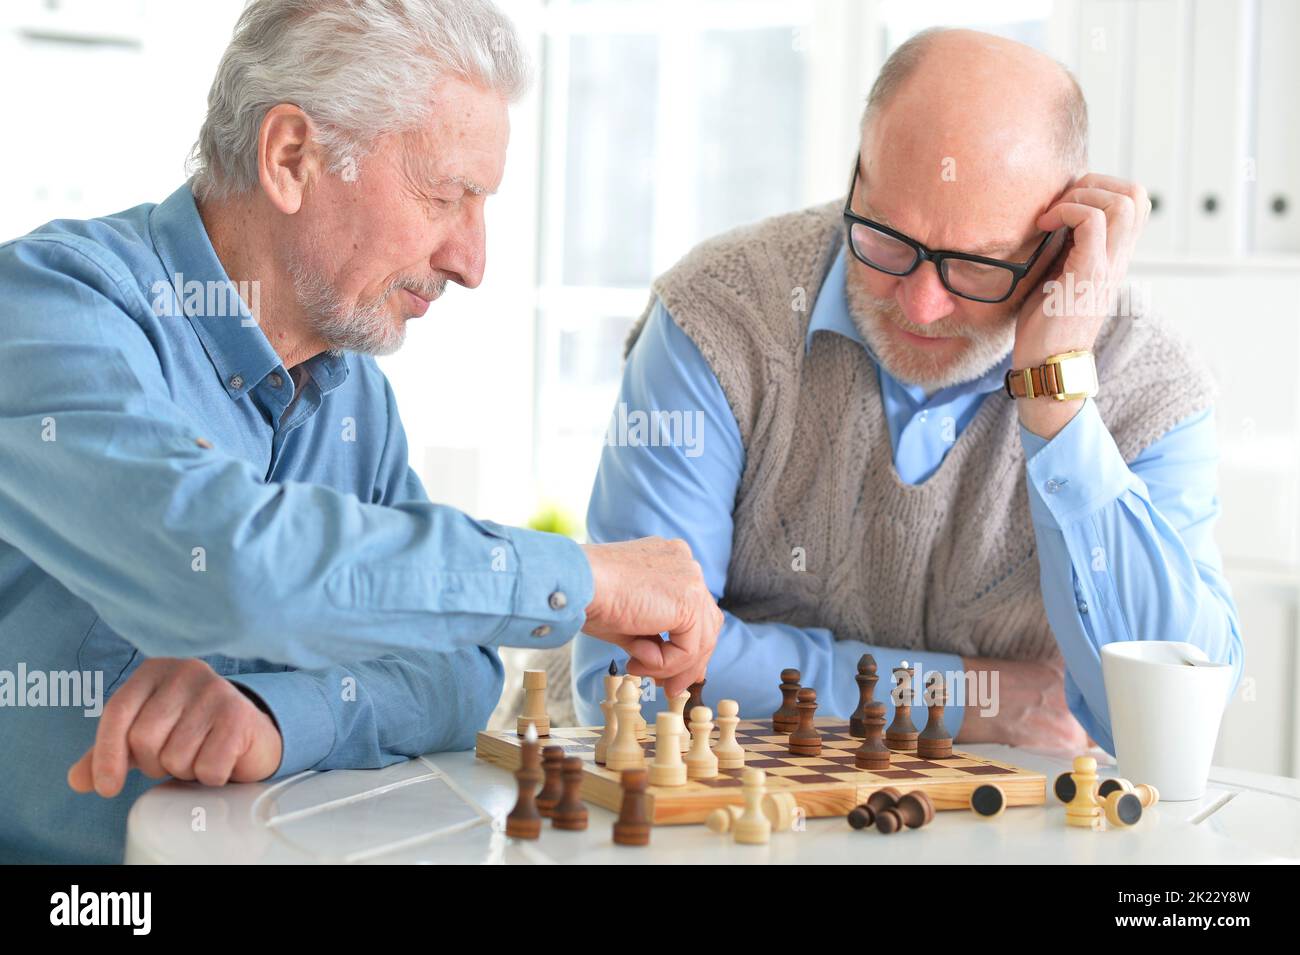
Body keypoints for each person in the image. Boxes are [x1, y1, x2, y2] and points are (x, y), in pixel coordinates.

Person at [0, 0, 719, 863]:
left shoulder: (353, 392)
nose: (472, 263)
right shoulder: (48, 306)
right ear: (290, 158)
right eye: (445, 196)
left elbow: (457, 669)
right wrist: (580, 577)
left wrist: (277, 717)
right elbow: (226, 563)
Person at [573, 28, 1242, 753]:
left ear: (1058, 243)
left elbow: (1173, 714)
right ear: (858, 175)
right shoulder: (719, 315)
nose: (921, 305)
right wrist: (964, 698)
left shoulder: (1150, 384)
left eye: (978, 265)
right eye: (887, 239)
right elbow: (627, 681)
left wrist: (1057, 398)